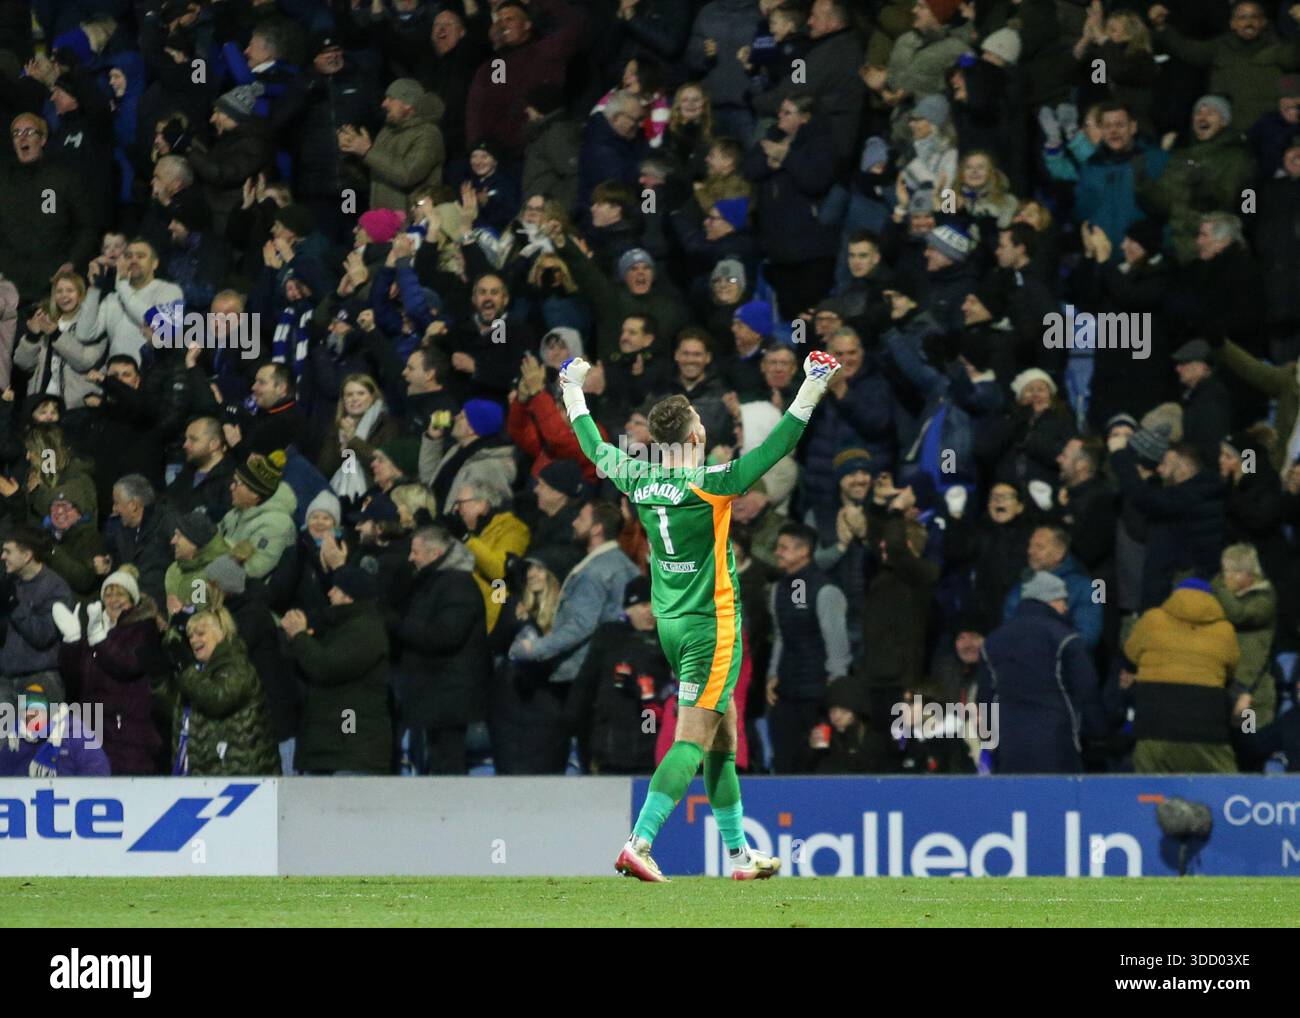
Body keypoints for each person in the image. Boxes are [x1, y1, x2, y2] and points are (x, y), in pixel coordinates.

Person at [558, 346, 843, 880]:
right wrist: (813, 384)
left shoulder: (639, 479)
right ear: (694, 438)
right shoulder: (713, 484)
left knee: (725, 735)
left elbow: (594, 445)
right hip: (713, 628)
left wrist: (571, 389)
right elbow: (782, 443)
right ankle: (639, 843)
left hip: (669, 625)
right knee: (694, 735)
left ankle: (738, 855)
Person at [981, 571, 1105, 774]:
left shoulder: (993, 641)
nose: (1065, 608)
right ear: (1051, 600)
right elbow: (1086, 688)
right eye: (1063, 600)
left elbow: (986, 697)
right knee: (1056, 802)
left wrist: (989, 738)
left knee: (1016, 800)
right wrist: (1098, 733)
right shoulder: (1066, 639)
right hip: (1058, 741)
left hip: (1008, 741)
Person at [395, 526, 491, 774]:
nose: (410, 558)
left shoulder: (457, 585)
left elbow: (445, 635)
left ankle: (449, 812)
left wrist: (398, 626)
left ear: (435, 553)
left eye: (415, 552)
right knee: (438, 762)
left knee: (447, 765)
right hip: (437, 695)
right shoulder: (433, 582)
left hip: (449, 699)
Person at [282, 564, 392, 775]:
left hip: (350, 749)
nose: (330, 593)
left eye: (337, 588)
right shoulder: (342, 626)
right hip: (332, 747)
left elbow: (327, 667)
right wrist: (296, 640)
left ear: (350, 597)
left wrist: (299, 636)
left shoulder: (365, 629)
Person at [53, 565, 163, 774]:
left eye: (120, 594)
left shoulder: (144, 629)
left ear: (132, 598)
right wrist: (72, 641)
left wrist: (99, 639)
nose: (113, 600)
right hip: (91, 727)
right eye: (108, 594)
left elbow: (127, 665)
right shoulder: (96, 627)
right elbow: (73, 679)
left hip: (127, 731)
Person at [1124, 577, 1240, 774]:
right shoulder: (1226, 630)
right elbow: (1231, 670)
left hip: (1154, 723)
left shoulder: (1152, 619)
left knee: (1149, 795)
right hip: (1206, 726)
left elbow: (1131, 652)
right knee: (1224, 792)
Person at [765, 522, 851, 774]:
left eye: (784, 547)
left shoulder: (826, 590)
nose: (778, 552)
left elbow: (837, 646)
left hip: (817, 696)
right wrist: (772, 674)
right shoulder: (779, 589)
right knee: (784, 762)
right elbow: (781, 635)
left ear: (804, 552)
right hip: (786, 693)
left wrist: (836, 691)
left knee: (816, 763)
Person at [567, 575, 675, 774]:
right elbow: (585, 686)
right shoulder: (608, 637)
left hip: (654, 749)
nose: (651, 610)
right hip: (609, 747)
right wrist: (573, 722)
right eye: (644, 604)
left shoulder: (669, 641)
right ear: (628, 608)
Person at [166, 606, 280, 776]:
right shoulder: (196, 672)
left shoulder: (238, 667)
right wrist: (158, 678)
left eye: (200, 633)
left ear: (221, 633)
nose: (193, 640)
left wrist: (187, 670)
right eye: (190, 635)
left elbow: (217, 698)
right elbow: (175, 712)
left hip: (240, 778)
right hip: (201, 776)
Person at [1, 526, 74, 705]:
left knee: (34, 731)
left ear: (27, 556)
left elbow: (43, 635)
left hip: (40, 679)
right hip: (5, 680)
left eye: (8, 552)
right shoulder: (8, 583)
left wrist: (14, 604)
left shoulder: (57, 589)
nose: (2, 557)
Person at [0, 682, 109, 776]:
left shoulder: (75, 734)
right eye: (25, 707)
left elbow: (98, 770)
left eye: (37, 708)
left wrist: (72, 792)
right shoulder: (14, 741)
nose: (30, 714)